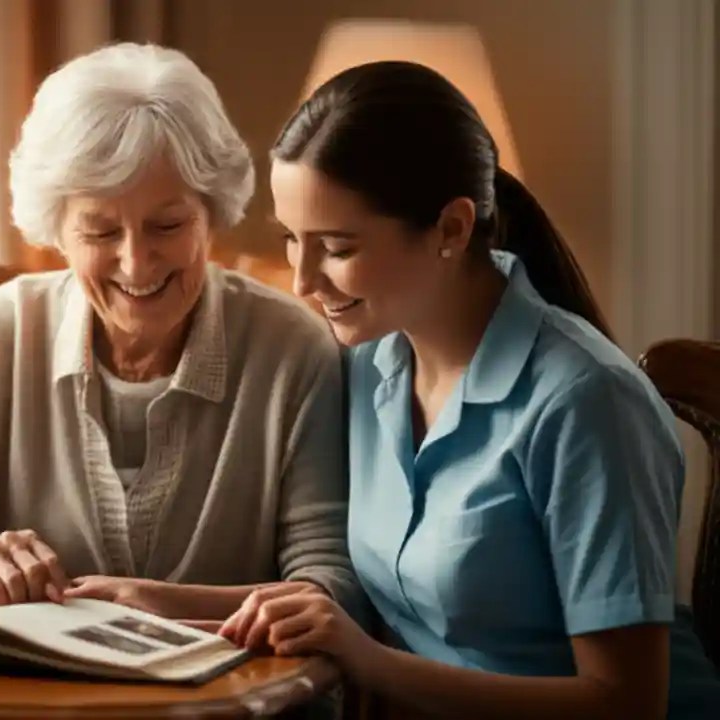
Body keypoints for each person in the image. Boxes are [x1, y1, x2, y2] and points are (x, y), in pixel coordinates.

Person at [220, 60, 720, 718]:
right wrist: (141, 599)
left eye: (337, 247)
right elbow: (360, 606)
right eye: (291, 240)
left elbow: (625, 704)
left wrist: (365, 659)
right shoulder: (370, 364)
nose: (304, 280)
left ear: (452, 230)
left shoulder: (588, 402)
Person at [0, 43, 358, 622]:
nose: (137, 264)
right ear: (56, 231)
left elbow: (330, 591)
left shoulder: (293, 349)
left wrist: (157, 604)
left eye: (167, 225)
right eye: (100, 231)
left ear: (212, 213)